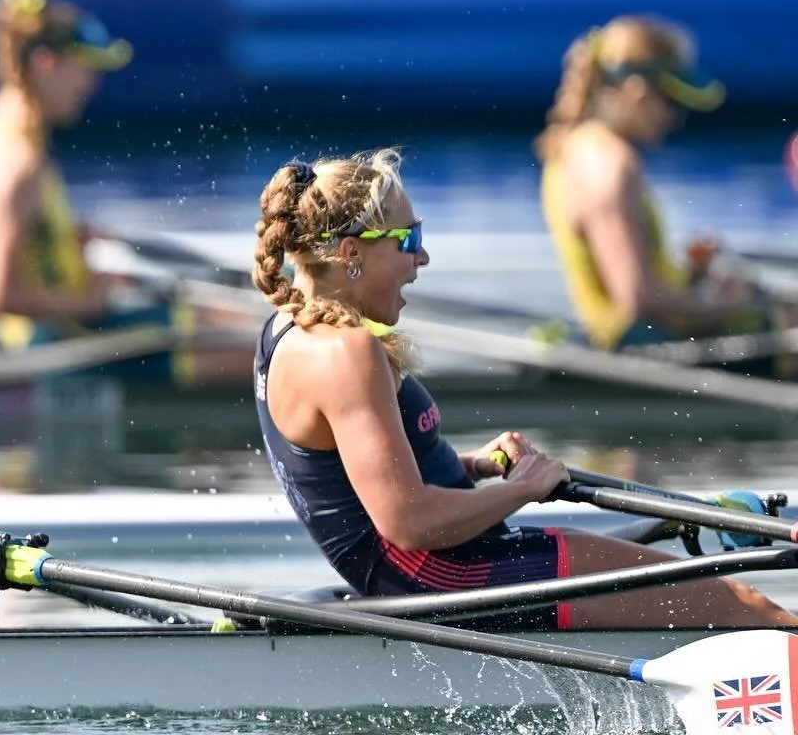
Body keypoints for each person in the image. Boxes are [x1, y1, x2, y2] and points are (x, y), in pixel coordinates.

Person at [251, 149, 796, 631]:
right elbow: (407, 522)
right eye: (409, 240)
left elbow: (352, 483)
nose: (422, 258)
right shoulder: (347, 353)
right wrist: (522, 489)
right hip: (444, 575)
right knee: (752, 609)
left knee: (706, 595)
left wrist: (470, 466)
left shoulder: (286, 331)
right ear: (351, 252)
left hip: (430, 568)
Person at [0, 0, 250, 386]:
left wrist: (65, 242)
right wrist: (87, 300)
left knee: (241, 324)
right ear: (46, 63)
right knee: (268, 347)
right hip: (54, 347)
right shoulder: (12, 163)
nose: (91, 84)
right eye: (85, 67)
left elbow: (22, 245)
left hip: (65, 331)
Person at [536, 15, 791, 353]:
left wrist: (690, 276)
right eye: (671, 102)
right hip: (637, 350)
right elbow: (638, 298)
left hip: (636, 339)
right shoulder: (609, 164)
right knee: (788, 316)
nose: (675, 118)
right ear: (637, 91)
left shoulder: (580, 149)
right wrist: (736, 304)